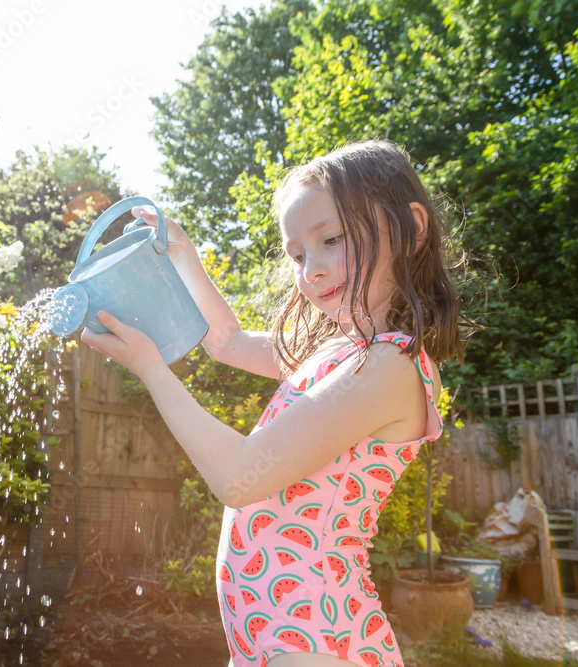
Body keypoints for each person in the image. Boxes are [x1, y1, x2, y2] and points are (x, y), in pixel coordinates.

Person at [80, 138, 478, 667]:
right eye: (296, 254)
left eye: (331, 239)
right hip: (279, 632)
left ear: (412, 228)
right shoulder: (339, 351)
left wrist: (152, 368)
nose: (310, 269)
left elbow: (240, 479)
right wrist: (183, 255)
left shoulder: (389, 367)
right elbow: (223, 342)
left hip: (316, 635)